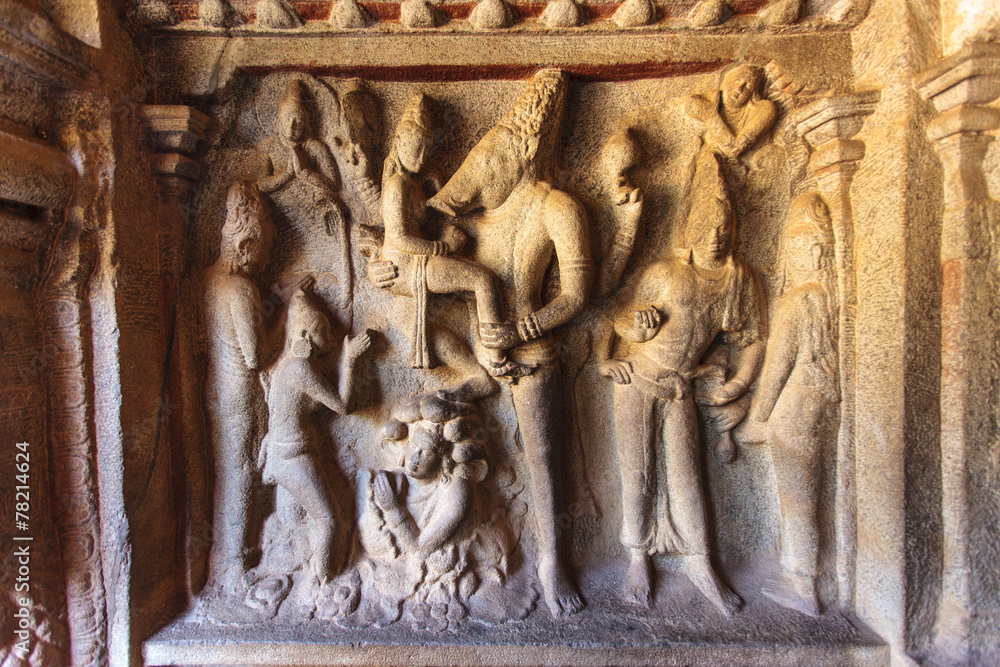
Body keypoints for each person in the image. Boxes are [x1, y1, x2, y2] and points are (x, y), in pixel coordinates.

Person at [372, 70, 591, 617]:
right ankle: (439, 537)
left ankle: (551, 559)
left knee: (543, 459)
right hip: (465, 356)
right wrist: (384, 265)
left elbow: (579, 293)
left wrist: (523, 330)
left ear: (518, 158)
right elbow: (411, 234)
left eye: (488, 161)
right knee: (433, 444)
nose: (476, 172)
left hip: (526, 354)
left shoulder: (556, 207)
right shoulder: (475, 212)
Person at [597, 154, 766, 615]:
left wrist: (739, 384)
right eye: (707, 225)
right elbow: (614, 317)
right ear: (690, 227)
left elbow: (753, 340)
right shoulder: (665, 274)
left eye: (724, 227)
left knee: (689, 476)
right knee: (638, 471)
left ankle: (701, 561)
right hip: (637, 380)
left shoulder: (738, 281)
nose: (716, 236)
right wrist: (607, 357)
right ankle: (637, 558)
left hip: (680, 387)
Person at [736, 192, 840, 617]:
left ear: (814, 249)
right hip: (822, 407)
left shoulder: (799, 301)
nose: (788, 259)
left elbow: (777, 367)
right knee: (809, 496)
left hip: (793, 415)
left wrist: (757, 419)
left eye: (793, 247)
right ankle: (803, 572)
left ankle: (802, 583)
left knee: (797, 499)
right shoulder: (834, 302)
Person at [376, 93, 510, 374]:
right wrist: (444, 247)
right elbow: (399, 238)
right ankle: (498, 357)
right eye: (415, 148)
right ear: (398, 143)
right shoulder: (397, 185)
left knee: (475, 289)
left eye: (426, 149)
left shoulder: (416, 183)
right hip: (403, 267)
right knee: (482, 279)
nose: (421, 157)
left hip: (415, 260)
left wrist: (435, 183)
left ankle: (484, 348)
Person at [259, 288, 372, 585]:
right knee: (329, 520)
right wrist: (349, 360)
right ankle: (323, 582)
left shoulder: (286, 366)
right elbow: (343, 406)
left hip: (286, 452)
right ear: (307, 334)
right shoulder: (299, 369)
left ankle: (299, 570)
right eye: (325, 332)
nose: (332, 339)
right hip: (292, 456)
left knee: (295, 522)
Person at [202, 181, 275, 593]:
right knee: (242, 473)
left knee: (226, 473)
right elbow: (258, 356)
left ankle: (228, 556)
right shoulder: (240, 289)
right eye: (263, 251)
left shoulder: (205, 282)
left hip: (215, 391)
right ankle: (232, 564)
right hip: (242, 396)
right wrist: (285, 319)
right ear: (247, 245)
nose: (264, 262)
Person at [685, 63, 777, 163]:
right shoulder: (712, 98)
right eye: (737, 81)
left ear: (753, 93)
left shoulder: (764, 109)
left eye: (748, 86)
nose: (739, 89)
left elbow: (735, 149)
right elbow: (691, 107)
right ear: (727, 82)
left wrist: (711, 118)